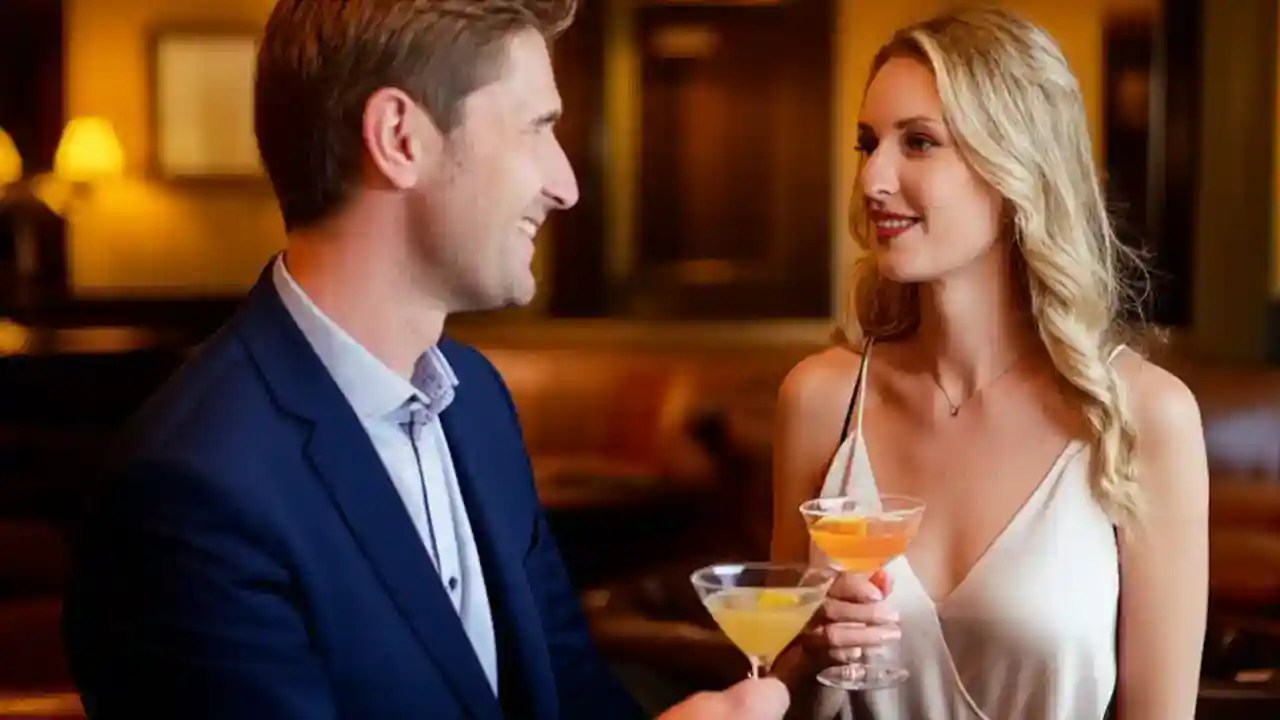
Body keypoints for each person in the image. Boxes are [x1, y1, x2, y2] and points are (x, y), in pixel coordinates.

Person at [59, 1, 788, 718]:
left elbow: (569, 694)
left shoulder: (476, 402)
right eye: (537, 128)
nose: (564, 184)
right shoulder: (193, 490)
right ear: (400, 138)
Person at [770, 8, 1208, 720]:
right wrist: (810, 649)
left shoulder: (1142, 415)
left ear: (1016, 169)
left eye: (918, 142)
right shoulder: (822, 399)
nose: (873, 178)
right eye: (868, 143)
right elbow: (771, 694)